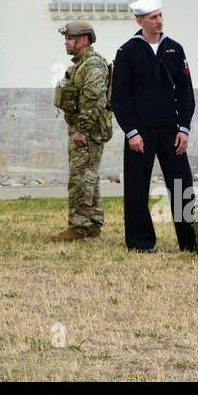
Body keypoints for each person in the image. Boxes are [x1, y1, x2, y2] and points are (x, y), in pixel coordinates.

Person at [110, 0, 197, 253]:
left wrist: (184, 128)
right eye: (152, 17)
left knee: (182, 183)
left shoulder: (175, 49)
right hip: (141, 131)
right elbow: (120, 97)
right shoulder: (127, 52)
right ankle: (141, 242)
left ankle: (189, 241)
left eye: (160, 16)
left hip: (172, 130)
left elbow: (186, 93)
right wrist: (131, 131)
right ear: (139, 21)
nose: (159, 21)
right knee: (137, 186)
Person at [51, 19, 113, 242]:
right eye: (66, 39)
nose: (66, 43)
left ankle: (78, 227)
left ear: (84, 40)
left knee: (80, 179)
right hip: (83, 128)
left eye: (70, 39)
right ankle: (93, 223)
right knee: (90, 177)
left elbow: (95, 100)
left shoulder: (93, 65)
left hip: (88, 131)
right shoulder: (81, 63)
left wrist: (82, 131)